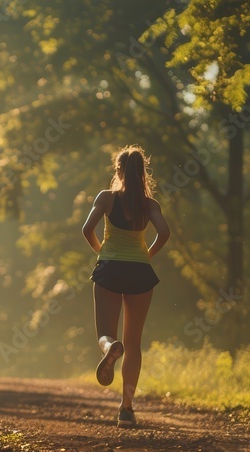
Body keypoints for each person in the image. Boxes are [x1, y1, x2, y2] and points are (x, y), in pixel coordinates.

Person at [81, 145, 170, 427]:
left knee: (105, 333)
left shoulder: (106, 198)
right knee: (134, 344)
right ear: (143, 172)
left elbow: (87, 229)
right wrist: (146, 256)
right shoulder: (149, 205)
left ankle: (109, 347)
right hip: (140, 273)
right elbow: (164, 233)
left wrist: (102, 253)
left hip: (109, 268)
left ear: (118, 170)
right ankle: (127, 409)